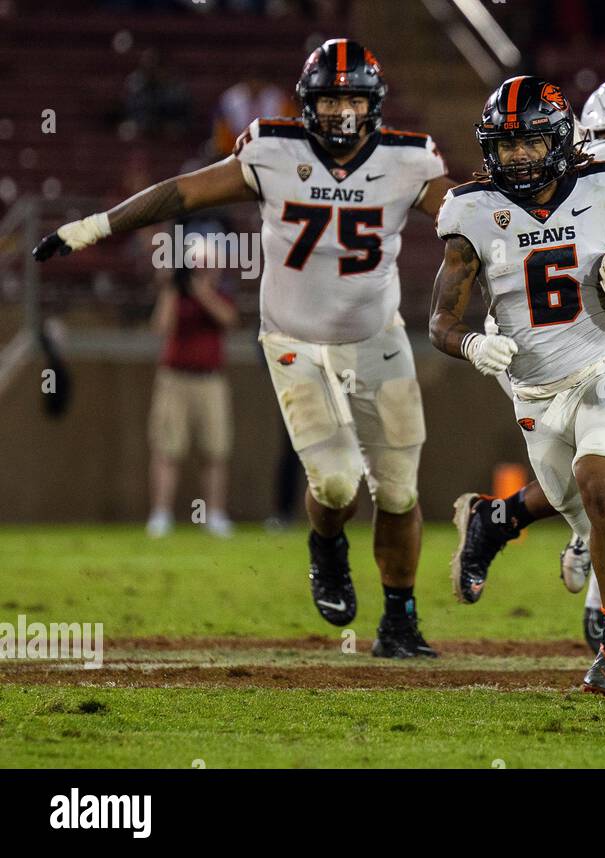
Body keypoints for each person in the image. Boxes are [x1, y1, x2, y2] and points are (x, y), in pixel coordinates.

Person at [33, 39, 455, 659]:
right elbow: (180, 193)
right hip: (294, 339)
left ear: (376, 106)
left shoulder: (410, 161)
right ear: (307, 104)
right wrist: (94, 226)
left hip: (377, 341)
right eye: (330, 100)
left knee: (397, 491)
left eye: (353, 101)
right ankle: (328, 547)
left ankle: (400, 618)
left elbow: (473, 221)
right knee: (336, 485)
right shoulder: (272, 150)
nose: (341, 115)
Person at [429, 75, 605, 698]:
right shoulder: (470, 210)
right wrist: (471, 344)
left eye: (530, 144)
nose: (517, 158)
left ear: (560, 140)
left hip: (604, 369)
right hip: (533, 393)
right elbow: (441, 320)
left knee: (603, 483)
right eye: (505, 146)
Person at [146, 246, 238, 539]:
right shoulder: (176, 293)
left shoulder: (220, 294)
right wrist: (172, 290)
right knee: (167, 449)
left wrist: (201, 292)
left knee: (215, 450)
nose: (203, 271)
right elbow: (161, 327)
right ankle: (161, 515)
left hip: (210, 381)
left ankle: (214, 515)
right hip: (175, 378)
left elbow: (228, 320)